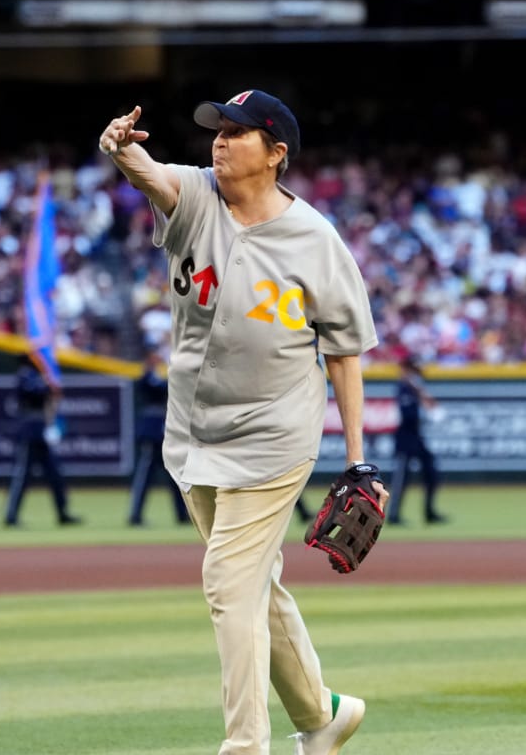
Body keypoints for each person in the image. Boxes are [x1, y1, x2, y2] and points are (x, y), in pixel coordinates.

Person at [99, 90, 385, 755]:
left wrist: (356, 459)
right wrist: (119, 146)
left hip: (276, 434)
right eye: (216, 132)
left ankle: (245, 745)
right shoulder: (197, 198)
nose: (219, 143)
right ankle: (324, 715)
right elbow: (148, 171)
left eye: (236, 133)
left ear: (276, 153)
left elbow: (343, 354)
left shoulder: (316, 241)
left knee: (227, 581)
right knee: (257, 584)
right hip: (193, 431)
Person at [3, 353, 82, 527]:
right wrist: (48, 385)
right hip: (29, 430)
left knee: (55, 474)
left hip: (41, 430)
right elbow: (36, 391)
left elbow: (50, 397)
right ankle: (11, 516)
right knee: (22, 475)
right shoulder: (24, 374)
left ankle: (62, 513)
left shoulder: (38, 375)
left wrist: (51, 387)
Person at [127, 348, 192, 527]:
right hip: (151, 433)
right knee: (145, 475)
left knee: (174, 475)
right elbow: (153, 386)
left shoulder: (163, 376)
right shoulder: (146, 378)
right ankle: (135, 515)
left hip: (165, 433)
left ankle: (182, 515)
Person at [386, 356, 447, 525]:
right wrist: (426, 413)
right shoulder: (403, 388)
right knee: (401, 478)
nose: (416, 375)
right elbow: (407, 416)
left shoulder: (416, 388)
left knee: (431, 471)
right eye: (413, 371)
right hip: (405, 438)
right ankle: (393, 515)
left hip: (417, 437)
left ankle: (429, 512)